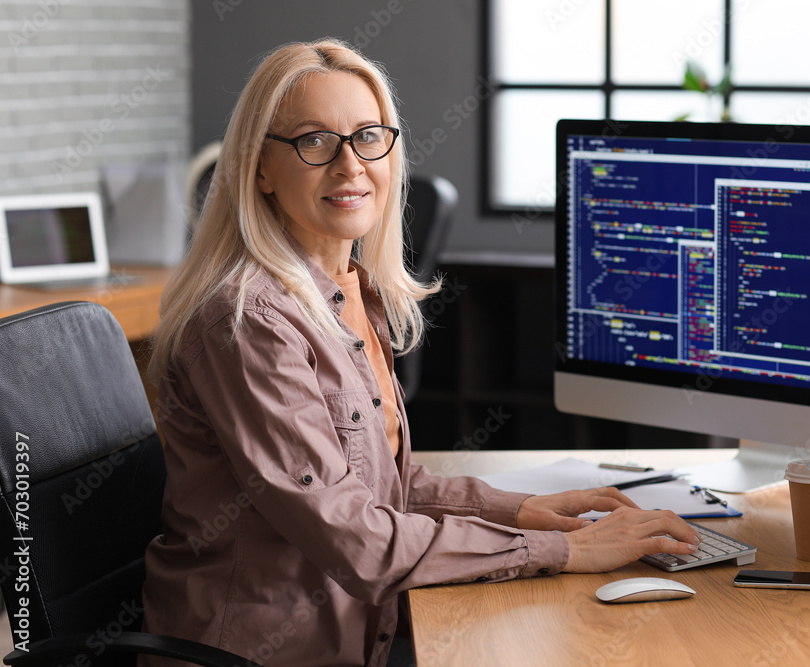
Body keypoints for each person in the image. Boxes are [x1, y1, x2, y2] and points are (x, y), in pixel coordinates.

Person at [140, 38, 701, 667]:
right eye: (315, 141)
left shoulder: (349, 292)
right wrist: (565, 551)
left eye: (368, 137)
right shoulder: (249, 321)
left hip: (358, 636)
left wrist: (525, 511)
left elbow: (380, 484)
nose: (350, 165)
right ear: (259, 168)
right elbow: (356, 537)